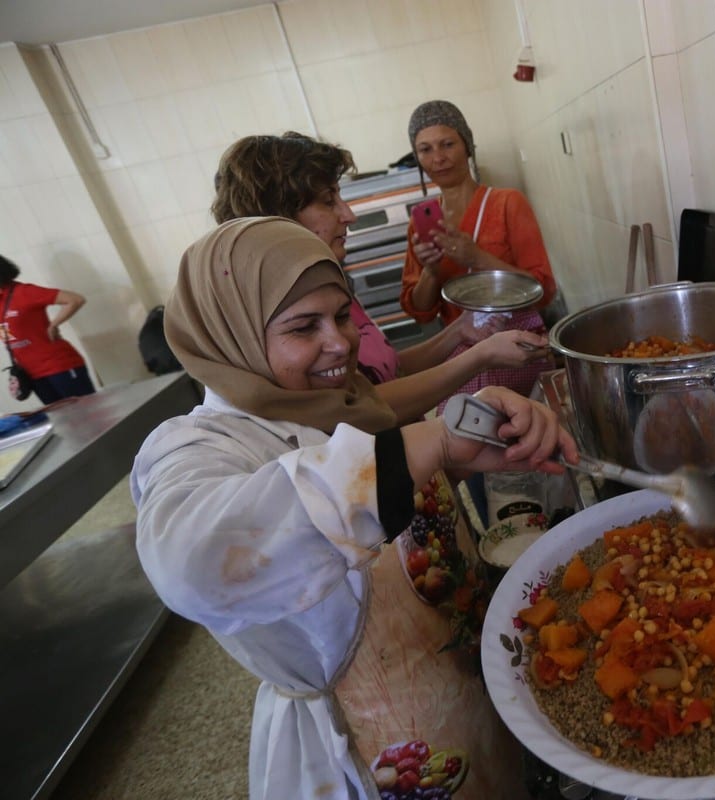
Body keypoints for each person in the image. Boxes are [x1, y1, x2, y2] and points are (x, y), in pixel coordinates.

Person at [131, 217, 578, 800]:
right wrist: (432, 442)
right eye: (302, 326)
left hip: (471, 698)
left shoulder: (336, 402)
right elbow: (189, 564)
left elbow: (391, 511)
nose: (341, 342)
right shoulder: (198, 446)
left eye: (341, 315)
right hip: (381, 747)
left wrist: (470, 443)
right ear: (230, 335)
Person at [211, 132, 548, 423]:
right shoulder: (273, 320)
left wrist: (459, 330)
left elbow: (384, 370)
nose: (350, 215)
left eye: (448, 144)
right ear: (279, 217)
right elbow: (360, 404)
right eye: (330, 201)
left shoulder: (330, 286)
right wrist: (481, 355)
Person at [400, 99, 557, 401]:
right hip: (460, 362)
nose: (438, 158)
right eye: (425, 149)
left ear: (467, 146)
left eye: (447, 144)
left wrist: (477, 258)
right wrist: (431, 272)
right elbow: (420, 311)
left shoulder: (507, 203)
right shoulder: (422, 224)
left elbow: (545, 290)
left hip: (519, 353)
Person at [0, 254, 96, 404]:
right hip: (32, 374)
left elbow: (75, 300)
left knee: (90, 415)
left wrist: (54, 324)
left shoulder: (24, 292)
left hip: (59, 366)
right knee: (64, 422)